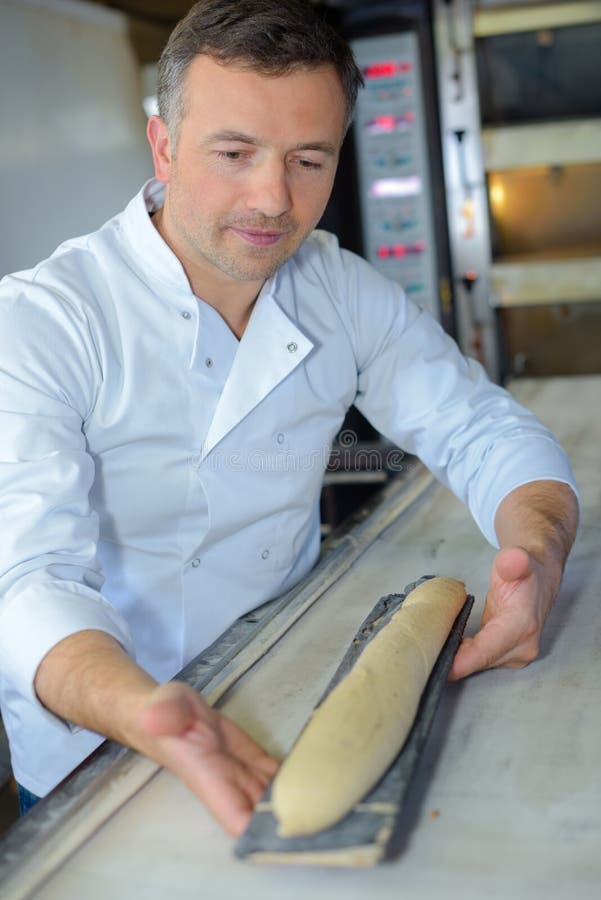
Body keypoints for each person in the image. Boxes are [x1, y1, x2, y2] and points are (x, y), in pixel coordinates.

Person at [0, 0, 578, 835]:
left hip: (291, 685)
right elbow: (26, 580)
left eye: (308, 160)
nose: (273, 199)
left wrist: (539, 551)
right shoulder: (45, 321)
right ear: (163, 144)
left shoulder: (334, 287)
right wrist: (147, 712)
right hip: (100, 733)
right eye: (234, 153)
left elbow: (477, 427)